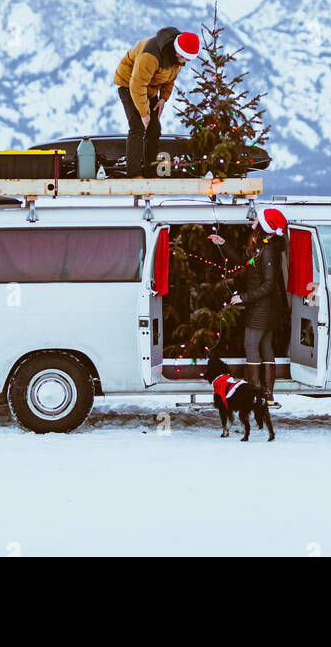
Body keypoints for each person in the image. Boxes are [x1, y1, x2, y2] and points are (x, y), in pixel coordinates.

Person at [208, 206, 289, 407]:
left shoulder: (268, 250)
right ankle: (267, 396)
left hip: (263, 307)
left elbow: (269, 285)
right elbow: (242, 260)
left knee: (251, 345)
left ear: (264, 225)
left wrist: (243, 298)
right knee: (265, 346)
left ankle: (254, 394)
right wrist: (223, 243)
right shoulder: (263, 247)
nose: (252, 220)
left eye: (256, 219)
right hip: (264, 306)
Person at [114, 26, 200, 177]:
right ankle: (134, 174)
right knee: (138, 126)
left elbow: (170, 79)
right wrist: (144, 114)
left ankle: (150, 172)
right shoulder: (151, 55)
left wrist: (162, 99)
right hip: (129, 85)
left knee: (154, 129)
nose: (186, 62)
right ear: (177, 51)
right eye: (185, 58)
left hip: (149, 88)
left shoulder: (177, 60)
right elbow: (137, 85)